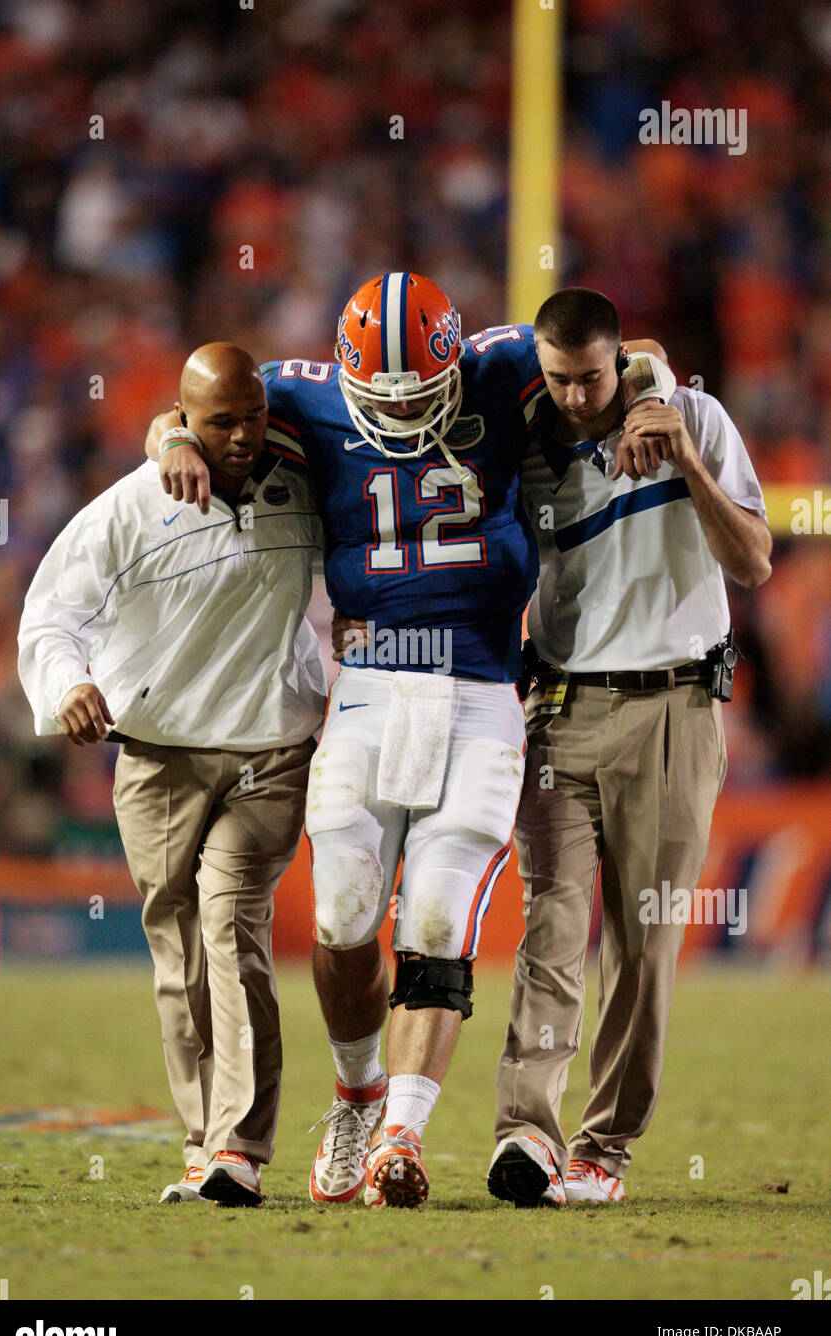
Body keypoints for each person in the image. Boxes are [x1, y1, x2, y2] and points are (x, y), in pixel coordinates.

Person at [153, 274, 673, 1209]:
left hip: (479, 688)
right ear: (348, 374)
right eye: (383, 398)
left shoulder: (506, 367)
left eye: (421, 394)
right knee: (345, 916)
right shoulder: (301, 396)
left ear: (454, 363)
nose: (402, 415)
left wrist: (656, 400)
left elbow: (634, 357)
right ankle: (357, 1094)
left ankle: (403, 1133)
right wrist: (169, 437)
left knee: (436, 917)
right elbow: (199, 407)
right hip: (369, 686)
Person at [18, 343, 326, 1208]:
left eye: (253, 416)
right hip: (157, 755)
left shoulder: (305, 478)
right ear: (181, 421)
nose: (240, 435)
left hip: (270, 748)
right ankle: (203, 1141)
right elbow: (50, 614)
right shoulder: (130, 508)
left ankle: (238, 1147)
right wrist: (69, 684)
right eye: (218, 421)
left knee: (232, 926)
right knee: (179, 946)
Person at [487, 288, 772, 1209]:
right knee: (553, 926)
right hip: (562, 707)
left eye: (591, 377)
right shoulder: (530, 444)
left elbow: (755, 559)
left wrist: (683, 451)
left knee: (643, 946)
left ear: (620, 362)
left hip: (673, 705)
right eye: (558, 378)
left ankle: (604, 1148)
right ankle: (528, 1130)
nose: (575, 396)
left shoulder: (694, 417)